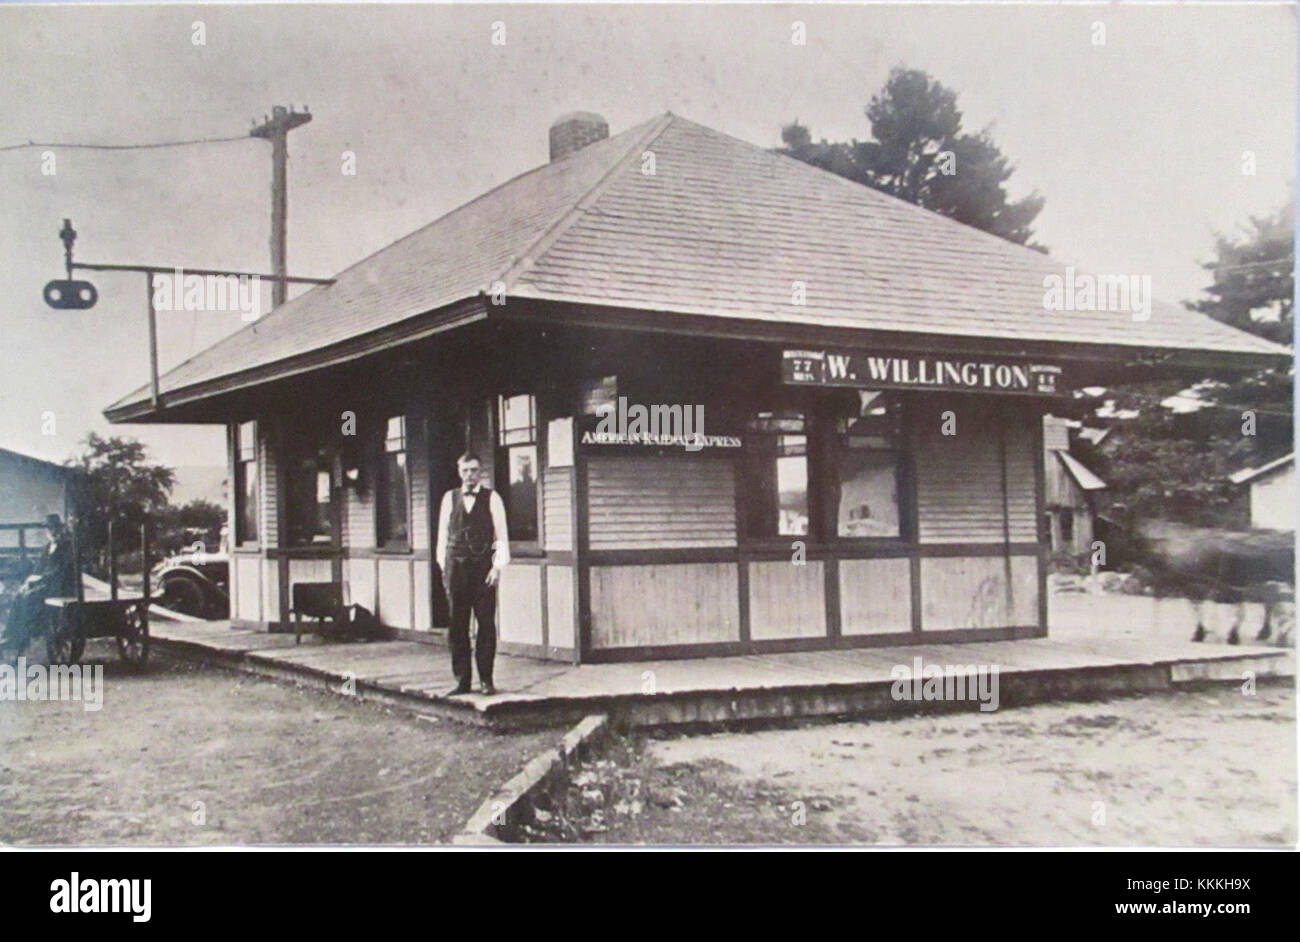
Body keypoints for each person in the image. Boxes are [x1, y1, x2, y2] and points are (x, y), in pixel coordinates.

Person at [435, 453, 510, 695]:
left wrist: (497, 568)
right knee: (457, 626)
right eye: (466, 470)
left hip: (483, 571)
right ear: (459, 472)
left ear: (480, 472)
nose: (470, 475)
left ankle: (486, 680)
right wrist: (444, 567)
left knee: (486, 625)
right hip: (456, 570)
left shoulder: (492, 498)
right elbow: (442, 538)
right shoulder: (449, 498)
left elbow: (502, 537)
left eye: (474, 470)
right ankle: (462, 681)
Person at [1, 514, 76, 658]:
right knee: (19, 594)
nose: (52, 532)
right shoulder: (47, 547)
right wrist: (28, 582)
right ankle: (11, 635)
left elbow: (60, 571)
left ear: (60, 530)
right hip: (47, 584)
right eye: (49, 529)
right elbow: (38, 569)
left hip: (61, 585)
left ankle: (25, 632)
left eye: (55, 529)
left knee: (29, 597)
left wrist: (37, 582)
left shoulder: (67, 547)